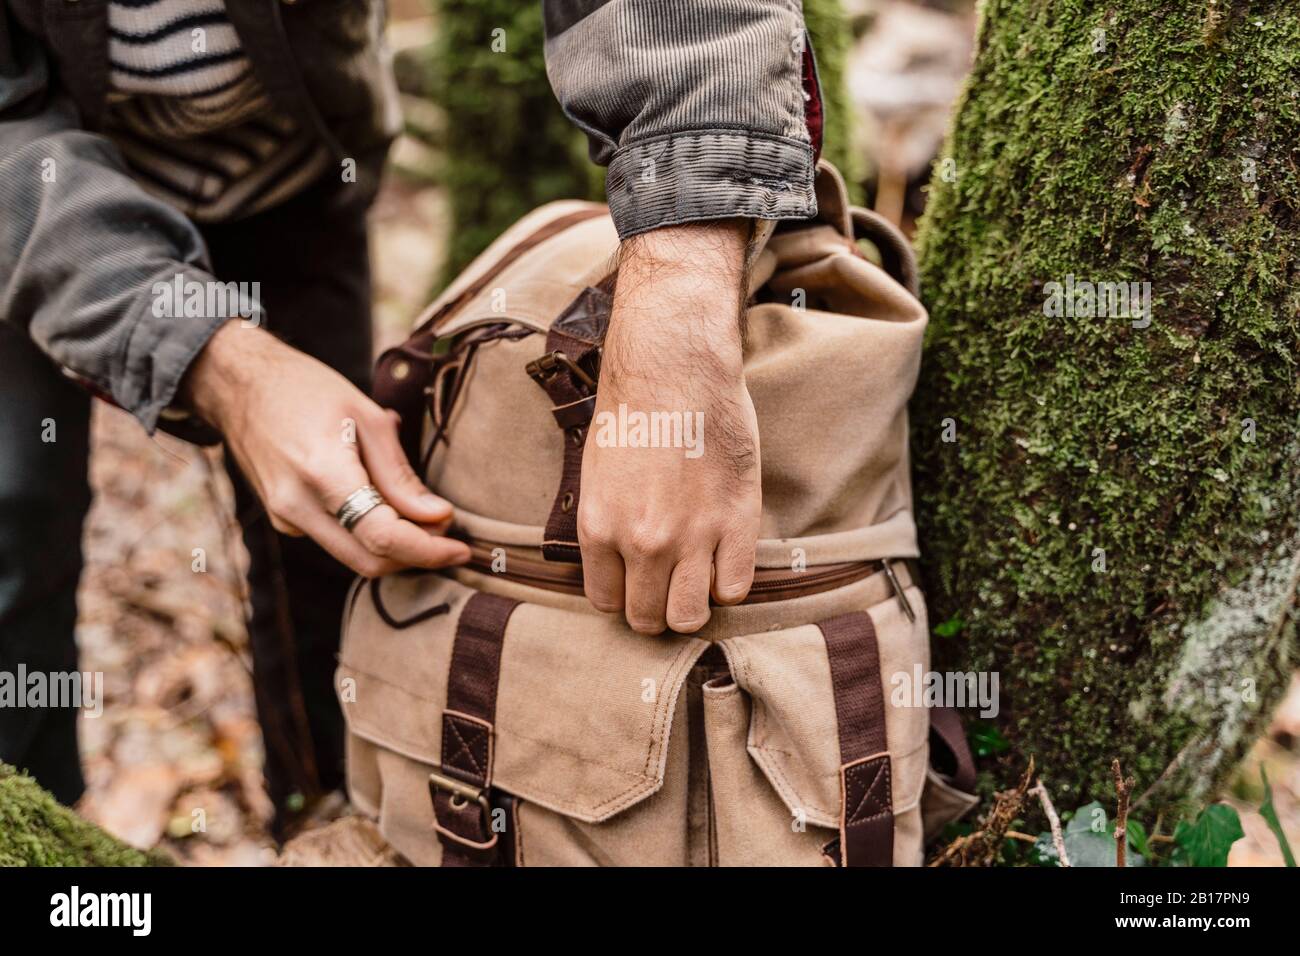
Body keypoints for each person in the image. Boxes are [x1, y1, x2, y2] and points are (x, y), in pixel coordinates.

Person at [0, 1, 822, 836]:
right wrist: (219, 365)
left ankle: (325, 815)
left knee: (330, 544)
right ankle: (40, 816)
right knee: (15, 519)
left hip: (294, 179)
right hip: (37, 199)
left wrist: (682, 283)